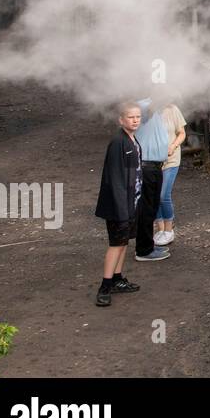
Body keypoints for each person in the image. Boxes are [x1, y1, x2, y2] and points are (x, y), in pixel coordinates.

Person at [94, 102, 144, 307]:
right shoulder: (117, 142)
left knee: (124, 242)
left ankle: (117, 279)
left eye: (138, 117)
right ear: (121, 120)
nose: (135, 120)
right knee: (116, 244)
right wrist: (122, 209)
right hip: (119, 206)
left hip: (132, 201)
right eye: (131, 117)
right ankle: (104, 287)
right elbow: (114, 178)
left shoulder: (132, 138)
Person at [133, 90, 173, 262]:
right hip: (146, 167)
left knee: (151, 207)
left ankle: (148, 244)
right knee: (146, 209)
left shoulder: (157, 110)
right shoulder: (144, 106)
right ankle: (143, 250)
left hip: (155, 167)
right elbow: (148, 108)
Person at [153, 94, 186, 246]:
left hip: (171, 159)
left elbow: (182, 133)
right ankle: (159, 229)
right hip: (153, 160)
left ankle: (169, 229)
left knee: (163, 195)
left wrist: (172, 146)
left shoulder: (173, 110)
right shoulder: (148, 111)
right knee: (154, 195)